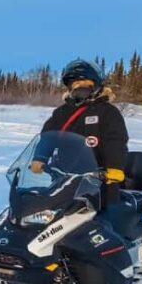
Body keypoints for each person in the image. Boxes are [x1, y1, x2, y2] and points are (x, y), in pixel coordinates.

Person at [31, 58, 128, 206]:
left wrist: (114, 167)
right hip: (65, 176)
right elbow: (48, 137)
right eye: (75, 84)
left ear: (96, 85)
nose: (80, 87)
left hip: (100, 177)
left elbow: (115, 141)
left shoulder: (108, 112)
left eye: (85, 84)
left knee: (108, 216)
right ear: (69, 88)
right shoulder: (62, 112)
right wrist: (40, 157)